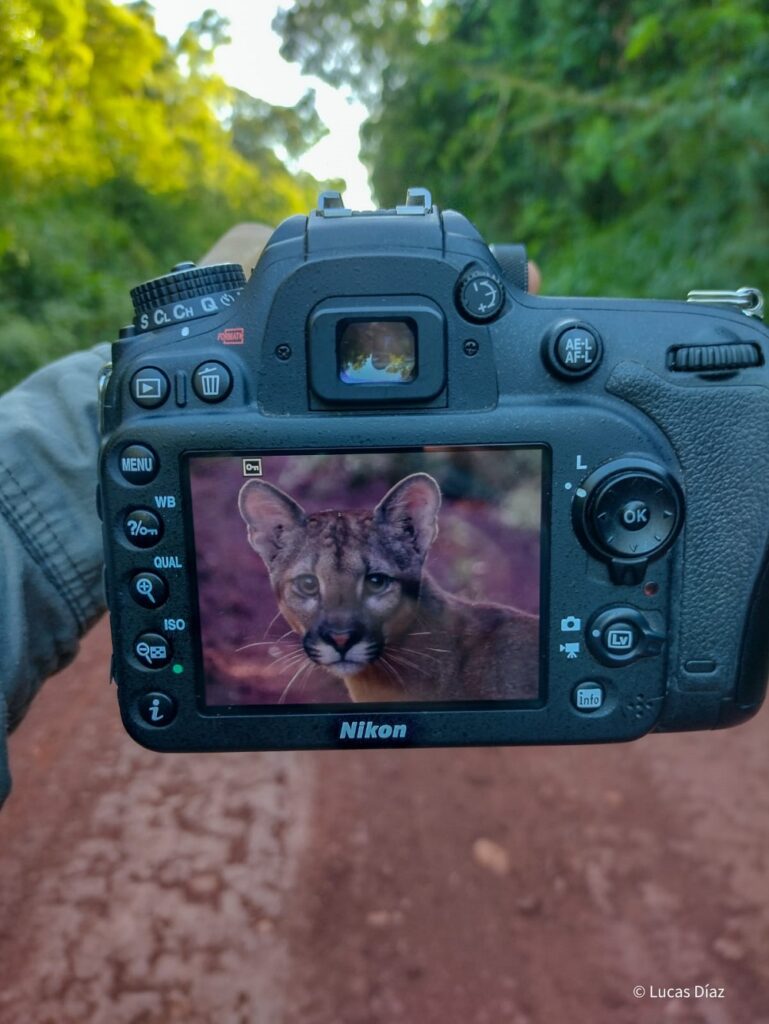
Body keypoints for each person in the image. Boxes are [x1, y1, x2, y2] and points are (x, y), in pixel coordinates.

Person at [0, 220, 539, 809]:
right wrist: (153, 373)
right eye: (308, 586)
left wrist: (187, 359)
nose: (339, 629)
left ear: (416, 537)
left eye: (376, 582)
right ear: (269, 545)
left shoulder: (508, 659)